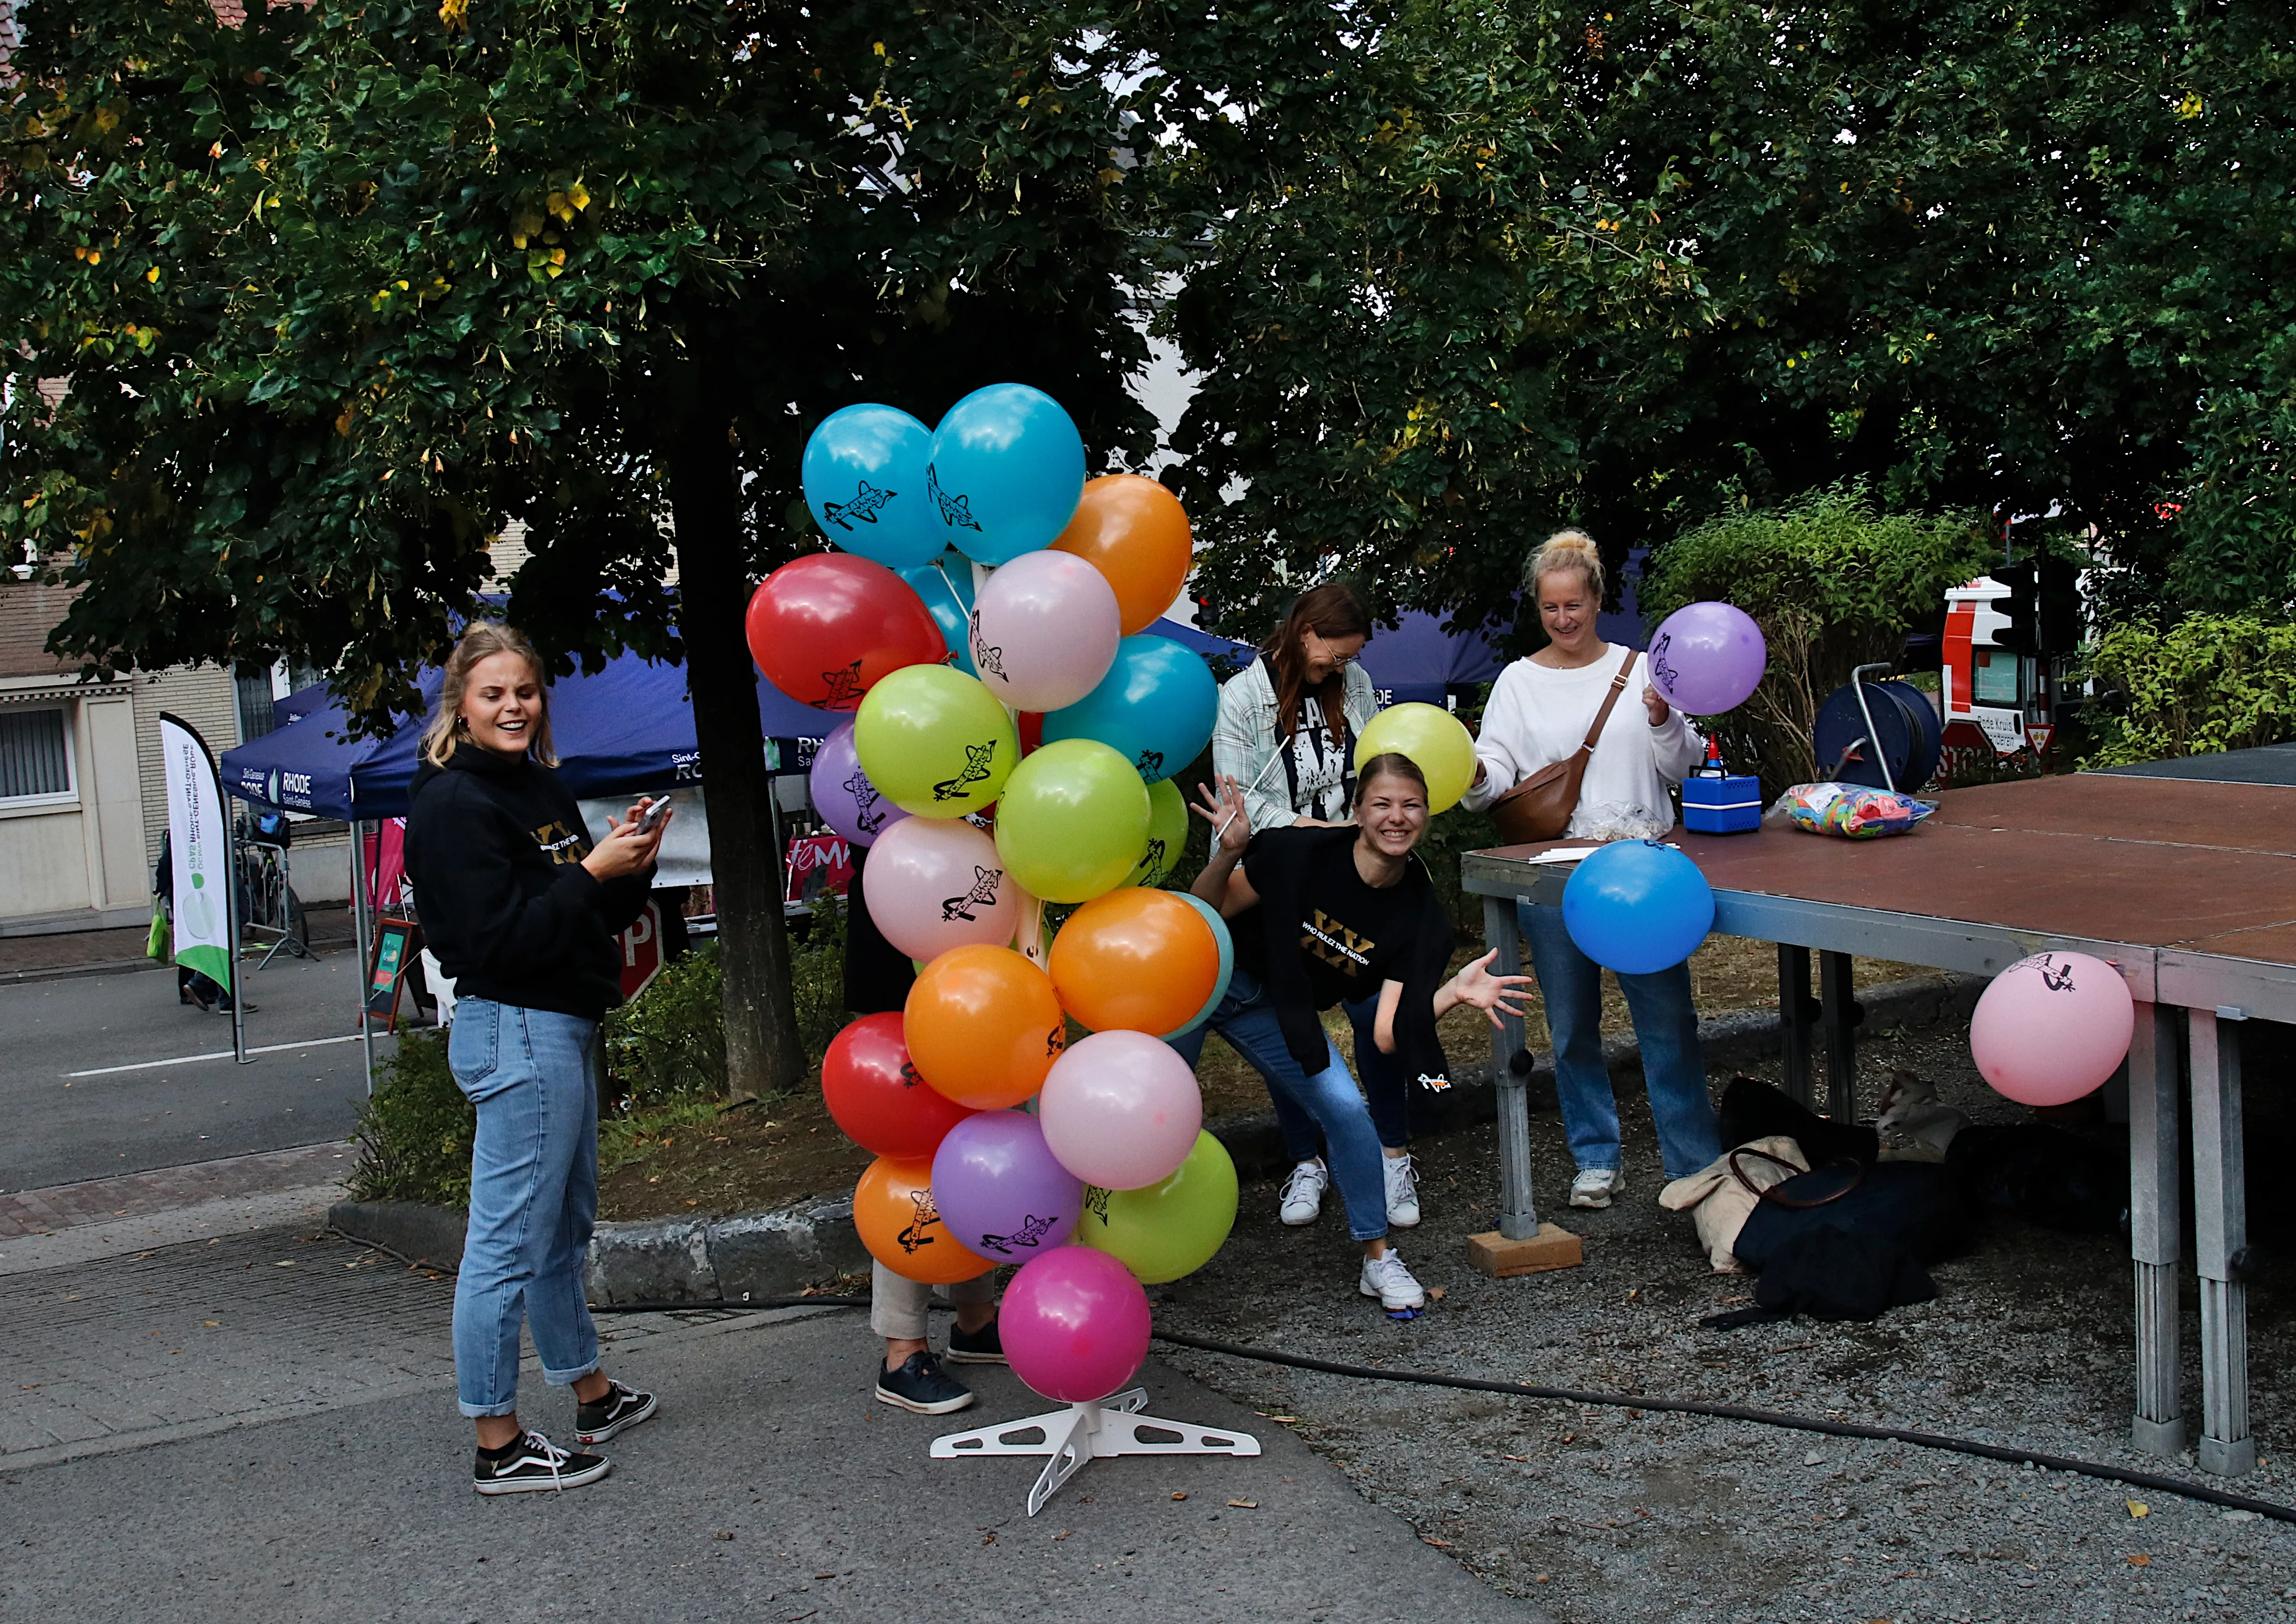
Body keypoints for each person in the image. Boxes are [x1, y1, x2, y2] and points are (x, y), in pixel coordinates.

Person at [404, 622, 669, 1494]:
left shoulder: (535, 785)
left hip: (555, 1025)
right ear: (461, 706)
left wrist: (626, 865)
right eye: (493, 693)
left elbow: (571, 905)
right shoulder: (453, 806)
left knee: (556, 1229)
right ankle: (497, 1439)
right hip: (515, 1025)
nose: (513, 705)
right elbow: (499, 940)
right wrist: (592, 874)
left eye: (524, 690)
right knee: (506, 1244)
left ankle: (589, 1390)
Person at [1173, 755, 1533, 1315]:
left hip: (1276, 1011)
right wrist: (1229, 853)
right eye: (1383, 804)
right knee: (1152, 1112)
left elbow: (1389, 1034)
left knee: (1347, 1112)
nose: (1397, 817)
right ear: (1359, 811)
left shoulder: (1419, 919)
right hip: (1199, 980)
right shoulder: (1299, 853)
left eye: (1411, 805)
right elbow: (1204, 912)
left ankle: (1377, 1259)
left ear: (1428, 816)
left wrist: (1452, 994)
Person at [1459, 529, 1722, 1208]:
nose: (1563, 619)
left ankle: (1693, 1163)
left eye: (1573, 605)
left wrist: (1664, 720)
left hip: (1642, 873)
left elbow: (1685, 765)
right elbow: (1495, 778)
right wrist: (1465, 769)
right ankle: (1595, 1157)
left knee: (1667, 1024)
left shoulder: (1643, 669)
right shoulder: (1519, 681)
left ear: (1598, 599)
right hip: (1558, 875)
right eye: (1550, 609)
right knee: (1571, 1027)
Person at [1207, 583, 1427, 1231]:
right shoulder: (1243, 698)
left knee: (1374, 1009)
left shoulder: (1352, 683)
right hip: (1281, 881)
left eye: (1351, 658)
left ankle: (1390, 1153)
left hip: (1357, 881)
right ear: (1306, 634)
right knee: (1287, 1021)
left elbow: (1369, 770)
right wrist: (1331, 836)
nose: (1343, 667)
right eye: (1335, 655)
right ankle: (1307, 1159)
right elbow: (1243, 803)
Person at [839, 841, 1004, 1416]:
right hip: (900, 952)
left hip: (975, 963)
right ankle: (902, 1351)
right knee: (915, 1148)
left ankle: (975, 1319)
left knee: (982, 1136)